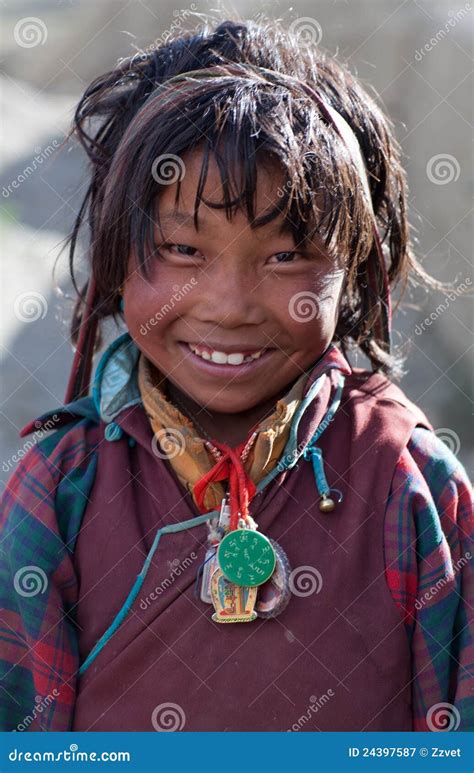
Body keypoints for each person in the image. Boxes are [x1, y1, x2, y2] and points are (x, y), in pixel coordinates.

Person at [1, 17, 472, 733]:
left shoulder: (411, 485)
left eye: (286, 256)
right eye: (183, 249)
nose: (229, 306)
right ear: (115, 258)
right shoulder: (59, 490)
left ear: (354, 274)